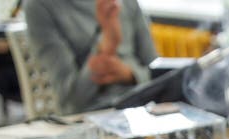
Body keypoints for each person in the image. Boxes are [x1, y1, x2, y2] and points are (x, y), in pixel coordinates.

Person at [24, 0, 157, 114]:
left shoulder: (126, 3)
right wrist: (105, 46)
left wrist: (129, 74)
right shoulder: (40, 6)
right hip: (88, 116)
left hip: (142, 108)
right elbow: (71, 101)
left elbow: (157, 72)